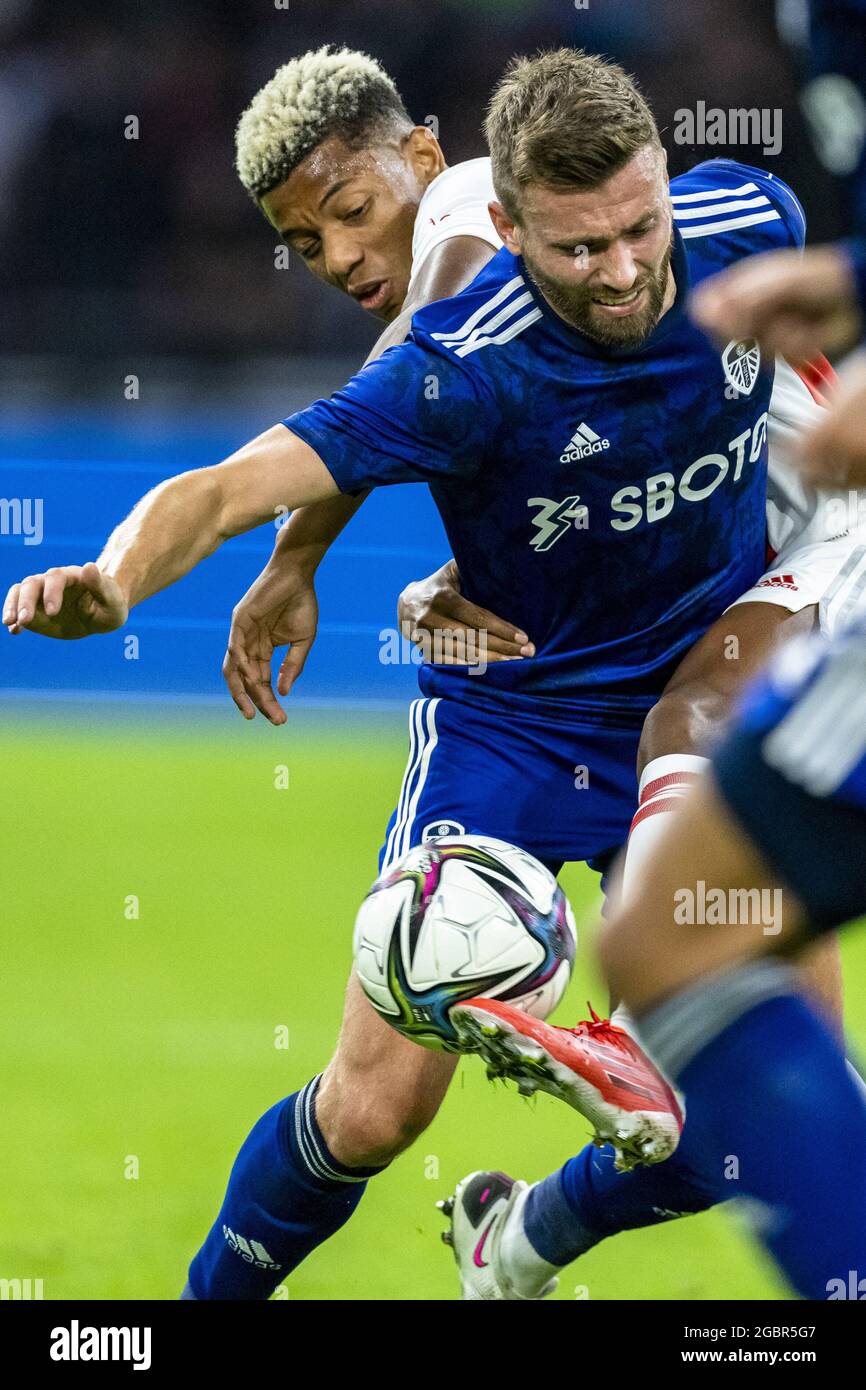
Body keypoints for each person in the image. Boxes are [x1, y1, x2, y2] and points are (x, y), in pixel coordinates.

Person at [0, 47, 848, 1302]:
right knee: (371, 1112)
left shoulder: (742, 222)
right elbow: (234, 479)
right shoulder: (456, 347)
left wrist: (313, 567)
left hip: (723, 651)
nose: (620, 270)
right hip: (514, 714)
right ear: (509, 225)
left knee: (773, 1099)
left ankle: (520, 1238)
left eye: (637, 229)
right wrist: (117, 580)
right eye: (576, 250)